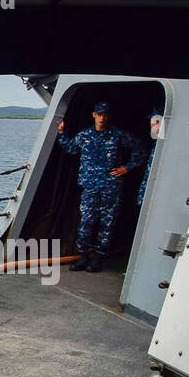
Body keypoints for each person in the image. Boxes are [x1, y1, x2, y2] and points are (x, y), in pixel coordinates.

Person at [56, 102, 147, 272]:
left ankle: (98, 257)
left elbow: (140, 149)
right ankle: (83, 255)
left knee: (107, 222)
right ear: (93, 115)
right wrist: (61, 133)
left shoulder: (118, 135)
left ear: (108, 116)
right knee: (86, 222)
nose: (102, 118)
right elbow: (70, 149)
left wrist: (127, 167)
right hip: (90, 186)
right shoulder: (85, 135)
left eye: (105, 114)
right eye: (99, 114)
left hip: (110, 186)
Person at [137, 111, 162, 206]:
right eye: (152, 124)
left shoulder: (165, 145)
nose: (154, 127)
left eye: (157, 123)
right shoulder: (156, 144)